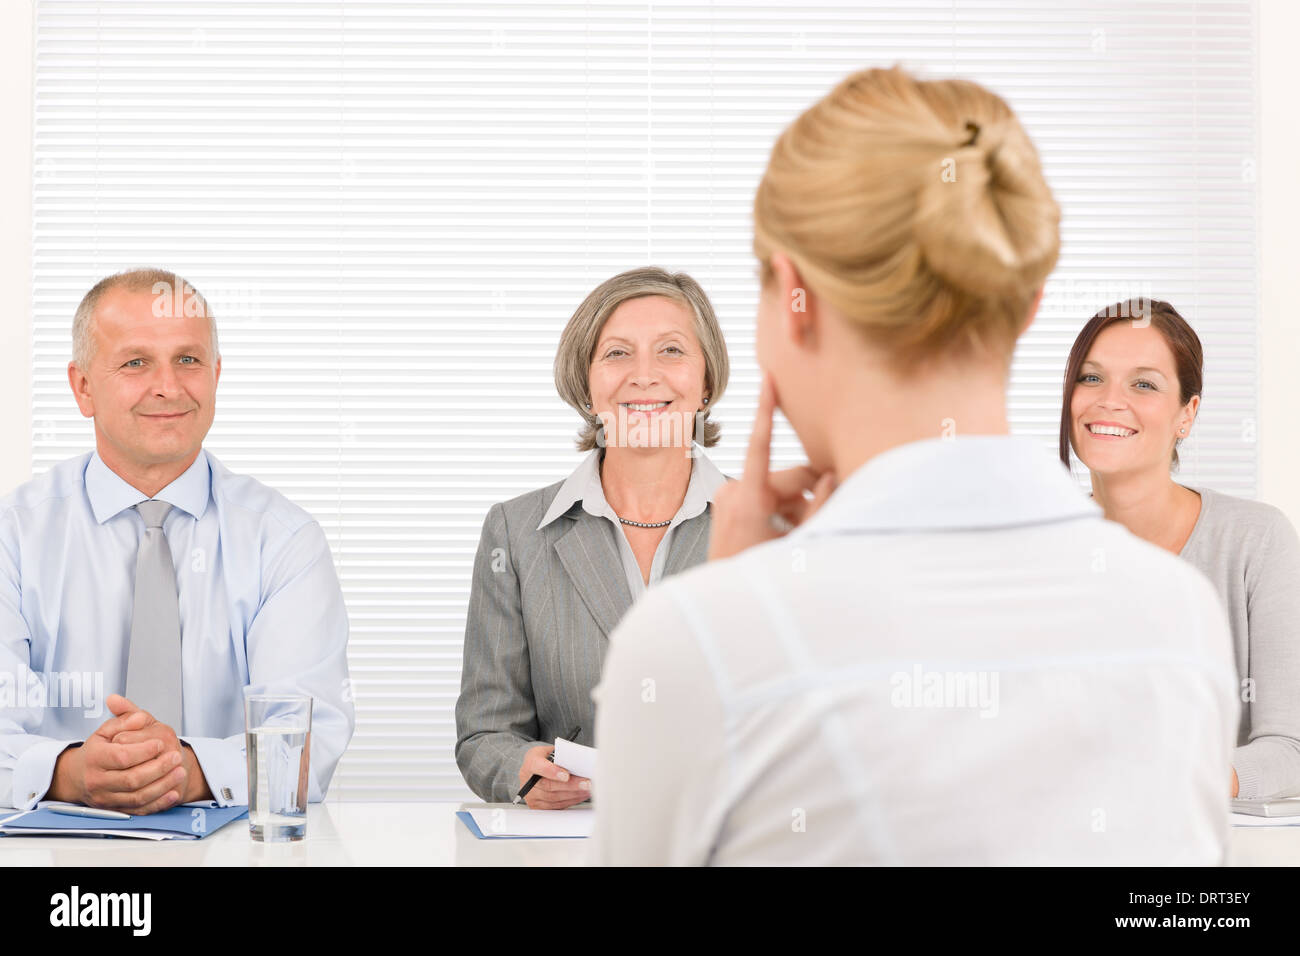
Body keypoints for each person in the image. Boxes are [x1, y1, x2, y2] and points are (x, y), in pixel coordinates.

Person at [591, 67, 1238, 864]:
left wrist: (730, 612)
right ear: (1030, 304)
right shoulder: (1181, 618)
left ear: (794, 299)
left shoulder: (690, 645)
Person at [0, 268, 354, 813]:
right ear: (83, 387)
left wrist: (184, 771)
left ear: (216, 374)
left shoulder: (284, 542)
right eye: (136, 362)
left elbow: (305, 743)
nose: (168, 385)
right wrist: (71, 773)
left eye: (188, 359)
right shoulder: (14, 537)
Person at [455, 266, 730, 807]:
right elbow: (485, 735)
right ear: (587, 386)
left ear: (706, 383)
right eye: (617, 353)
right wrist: (520, 769)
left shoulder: (771, 533)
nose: (644, 375)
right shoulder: (515, 533)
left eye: (672, 351)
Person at [1060, 299, 1300, 800]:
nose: (1108, 400)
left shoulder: (1256, 540)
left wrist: (1164, 777)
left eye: (1143, 384)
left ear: (1186, 415)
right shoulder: (1038, 548)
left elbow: (1288, 749)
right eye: (1090, 378)